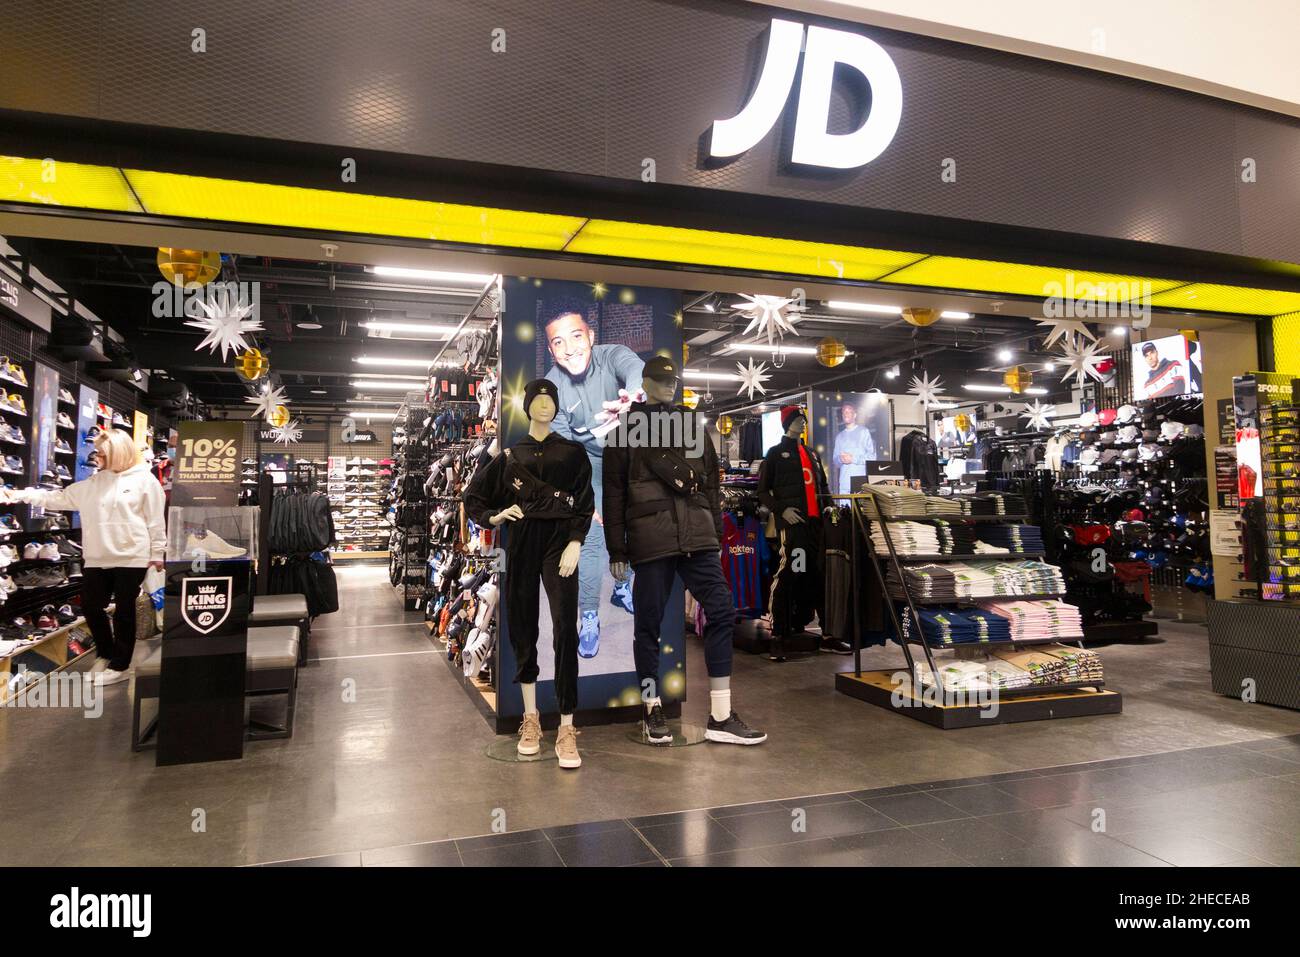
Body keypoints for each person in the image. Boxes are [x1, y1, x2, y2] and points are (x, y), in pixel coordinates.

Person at [604, 355, 766, 745]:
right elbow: (613, 493)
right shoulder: (624, 430)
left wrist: (712, 527)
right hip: (651, 539)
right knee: (649, 625)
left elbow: (711, 480)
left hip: (697, 537)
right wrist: (617, 549)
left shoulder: (691, 424)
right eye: (661, 380)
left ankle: (721, 716)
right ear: (645, 382)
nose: (670, 385)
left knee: (723, 610)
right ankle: (651, 707)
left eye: (673, 379)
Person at [2, 430, 164, 686]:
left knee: (124, 611)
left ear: (118, 454)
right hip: (96, 556)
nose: (97, 457)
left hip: (131, 556)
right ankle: (106, 653)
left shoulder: (145, 481)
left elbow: (155, 520)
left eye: (102, 453)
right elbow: (59, 498)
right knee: (91, 606)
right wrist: (20, 495)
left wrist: (158, 552)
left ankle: (121, 665)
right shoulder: (93, 483)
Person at [542, 297, 645, 658]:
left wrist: (634, 394)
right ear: (552, 351)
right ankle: (588, 615)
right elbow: (567, 453)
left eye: (576, 336)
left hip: (625, 457)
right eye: (559, 342)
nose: (570, 349)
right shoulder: (551, 388)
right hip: (587, 463)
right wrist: (586, 498)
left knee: (631, 524)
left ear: (591, 335)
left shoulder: (610, 355)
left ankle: (622, 585)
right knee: (593, 537)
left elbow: (633, 366)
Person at [832, 401, 875, 494]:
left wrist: (853, 459)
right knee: (844, 509)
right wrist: (840, 459)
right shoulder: (839, 436)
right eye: (843, 412)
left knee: (860, 508)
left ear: (854, 415)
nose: (845, 414)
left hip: (860, 483)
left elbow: (872, 458)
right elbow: (835, 462)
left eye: (848, 412)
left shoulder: (864, 432)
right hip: (844, 484)